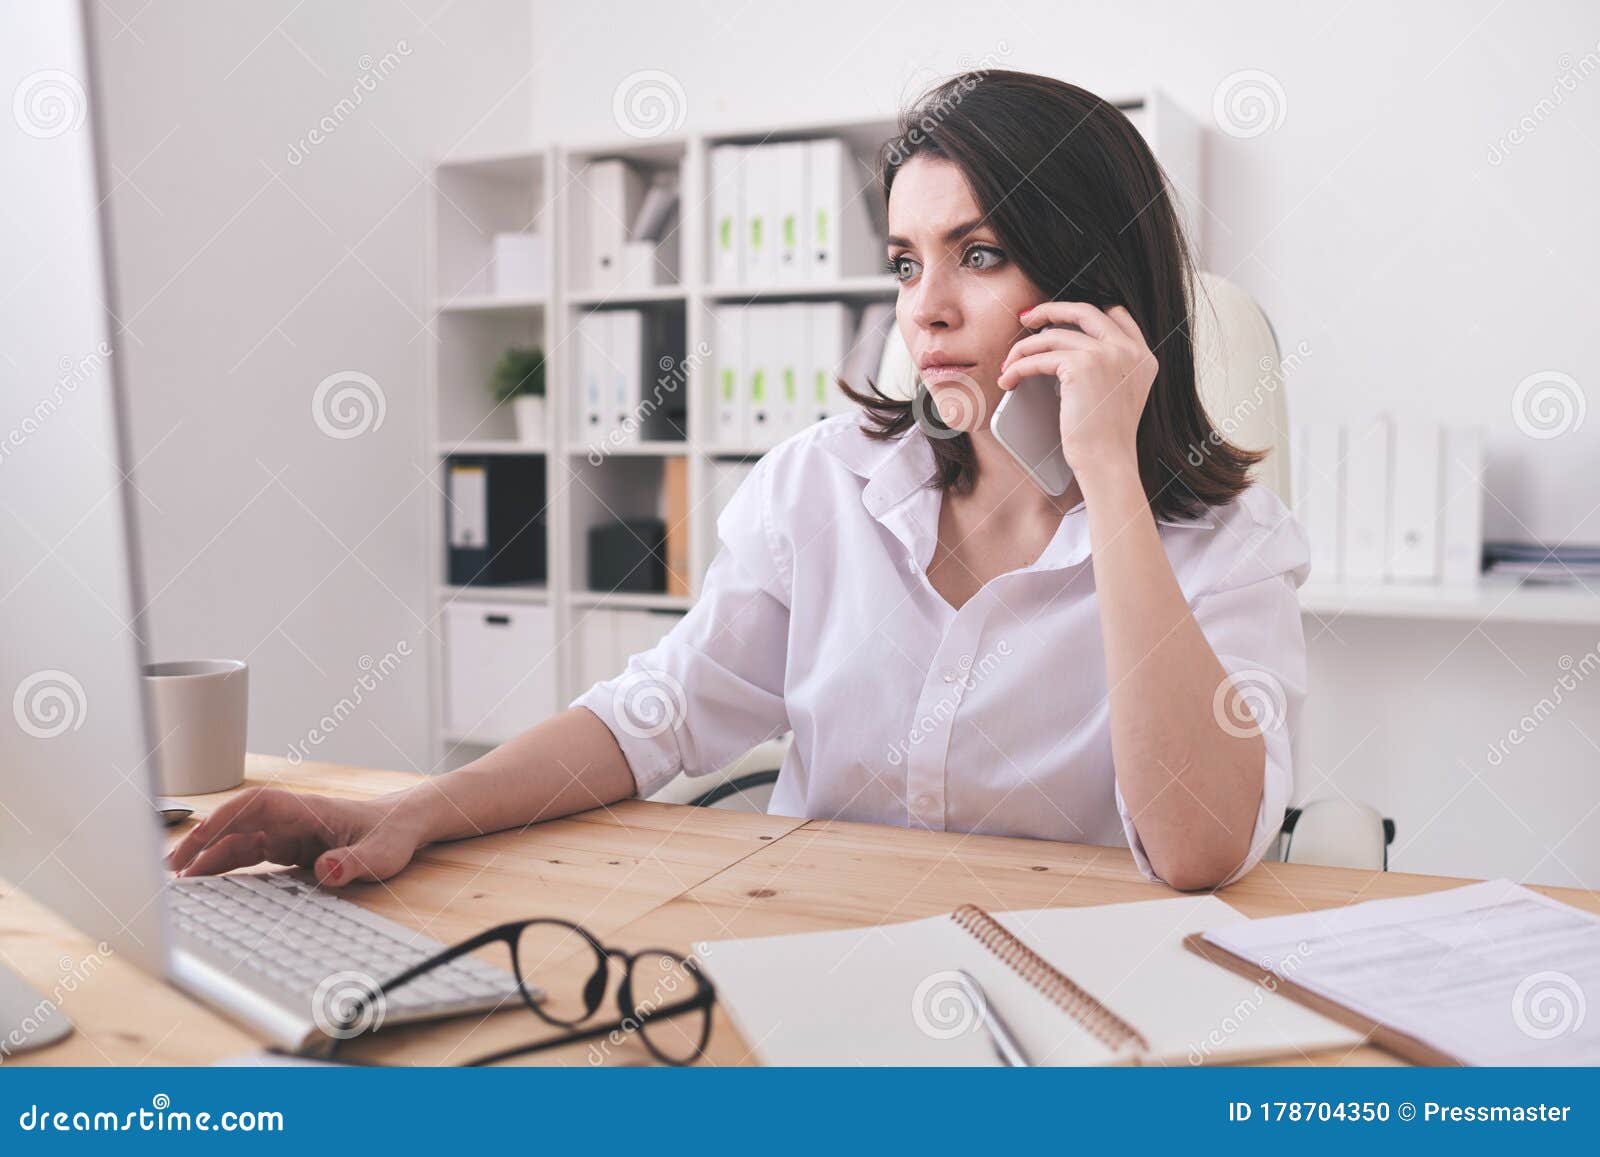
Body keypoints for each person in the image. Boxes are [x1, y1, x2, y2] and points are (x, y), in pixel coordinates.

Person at [168, 70, 1307, 894]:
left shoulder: (1229, 546)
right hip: (812, 951)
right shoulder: (822, 485)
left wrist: (1107, 474)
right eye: (908, 261)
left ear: (1097, 280)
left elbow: (1199, 848)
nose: (927, 307)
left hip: (1068, 1003)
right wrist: (408, 811)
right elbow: (650, 718)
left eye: (981, 253)